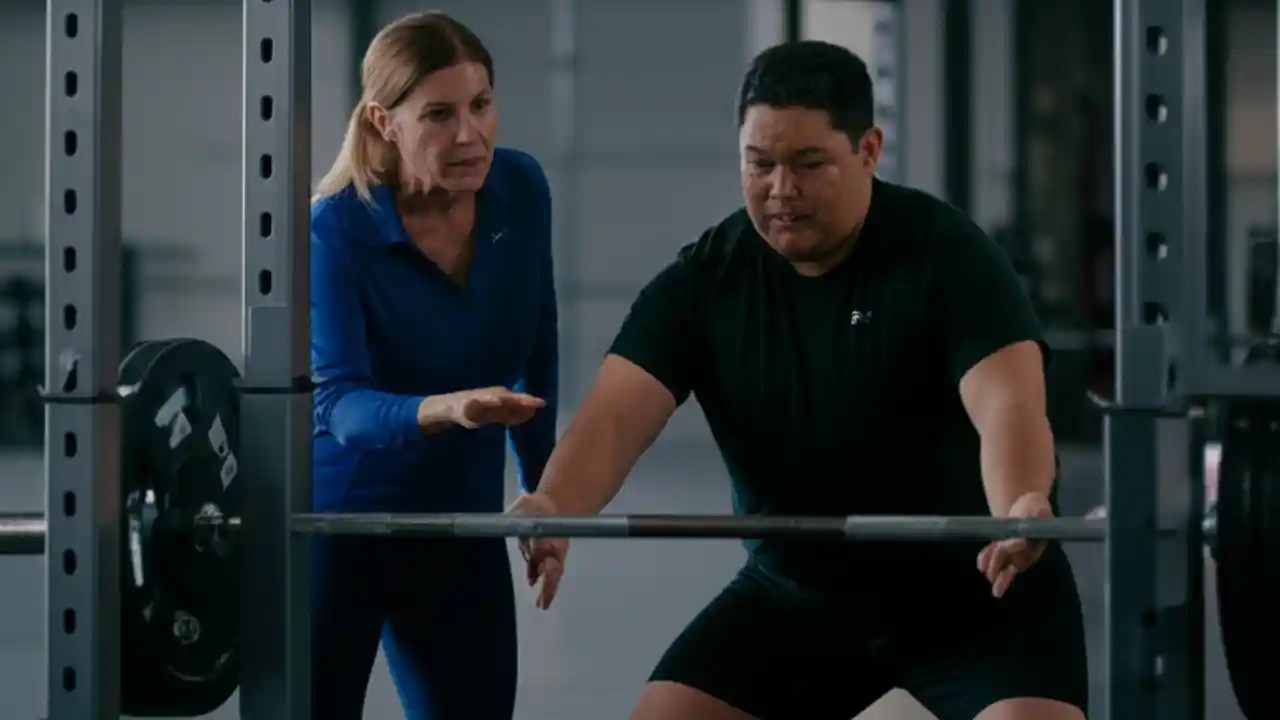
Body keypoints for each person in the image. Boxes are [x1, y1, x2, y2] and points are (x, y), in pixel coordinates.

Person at [509, 40, 1088, 720]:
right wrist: (555, 505)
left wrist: (1018, 505)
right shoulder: (706, 280)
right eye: (759, 164)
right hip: (799, 595)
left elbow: (1007, 406)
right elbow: (614, 418)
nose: (780, 190)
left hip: (979, 587)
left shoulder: (949, 256)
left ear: (868, 151)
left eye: (809, 164)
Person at [309, 11, 558, 720]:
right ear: (385, 122)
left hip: (458, 527)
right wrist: (442, 409)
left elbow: (539, 343)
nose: (469, 134)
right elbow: (337, 406)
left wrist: (547, 496)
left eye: (480, 106)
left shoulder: (521, 188)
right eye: (439, 115)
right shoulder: (335, 228)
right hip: (336, 529)